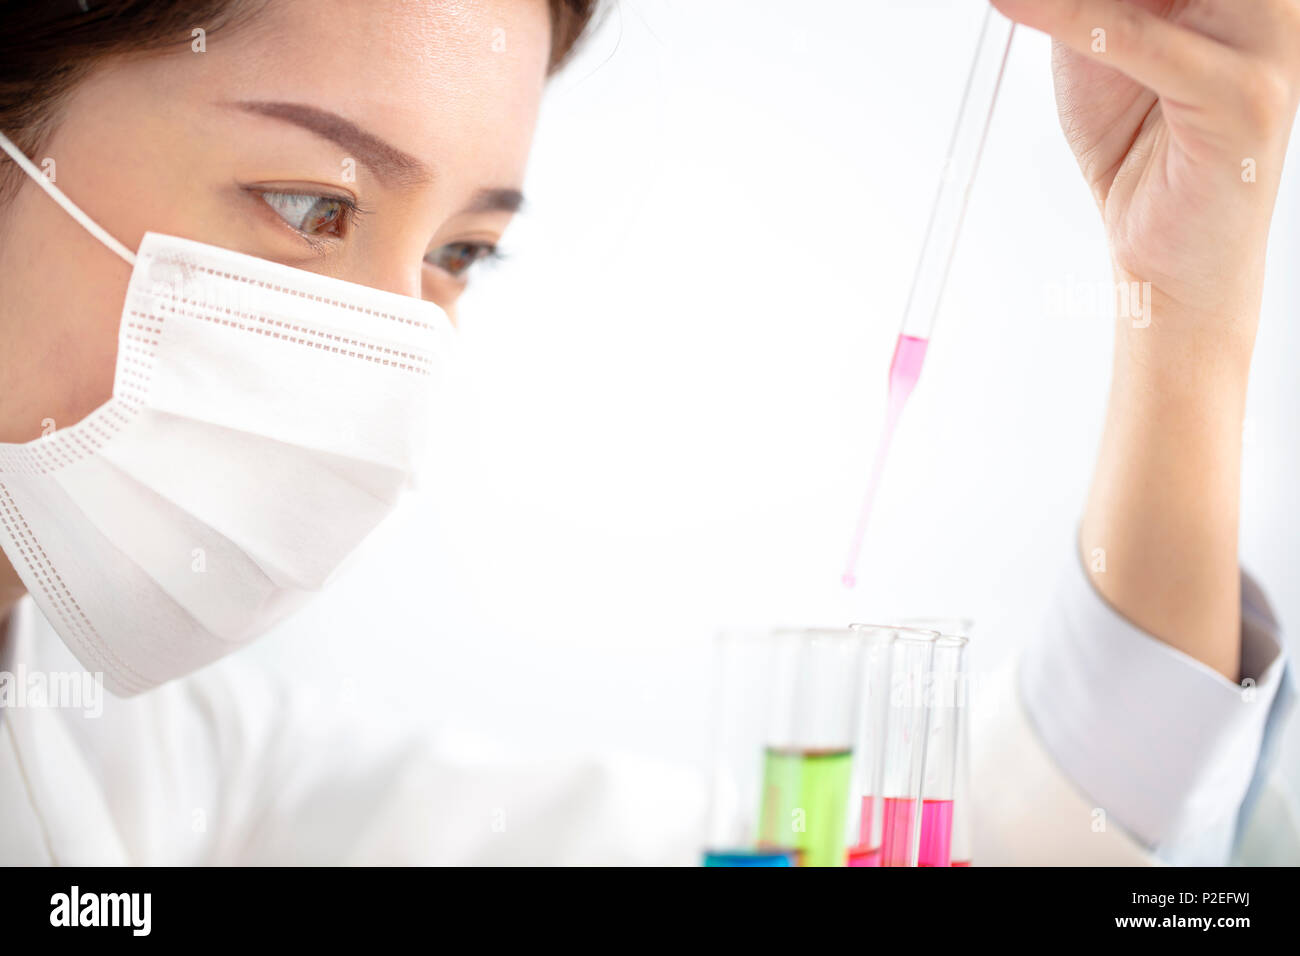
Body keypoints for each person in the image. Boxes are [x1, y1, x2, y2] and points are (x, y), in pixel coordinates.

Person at [0, 0, 1296, 865]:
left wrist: (1184, 304)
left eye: (462, 254)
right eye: (310, 202)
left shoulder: (146, 769)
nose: (388, 352)